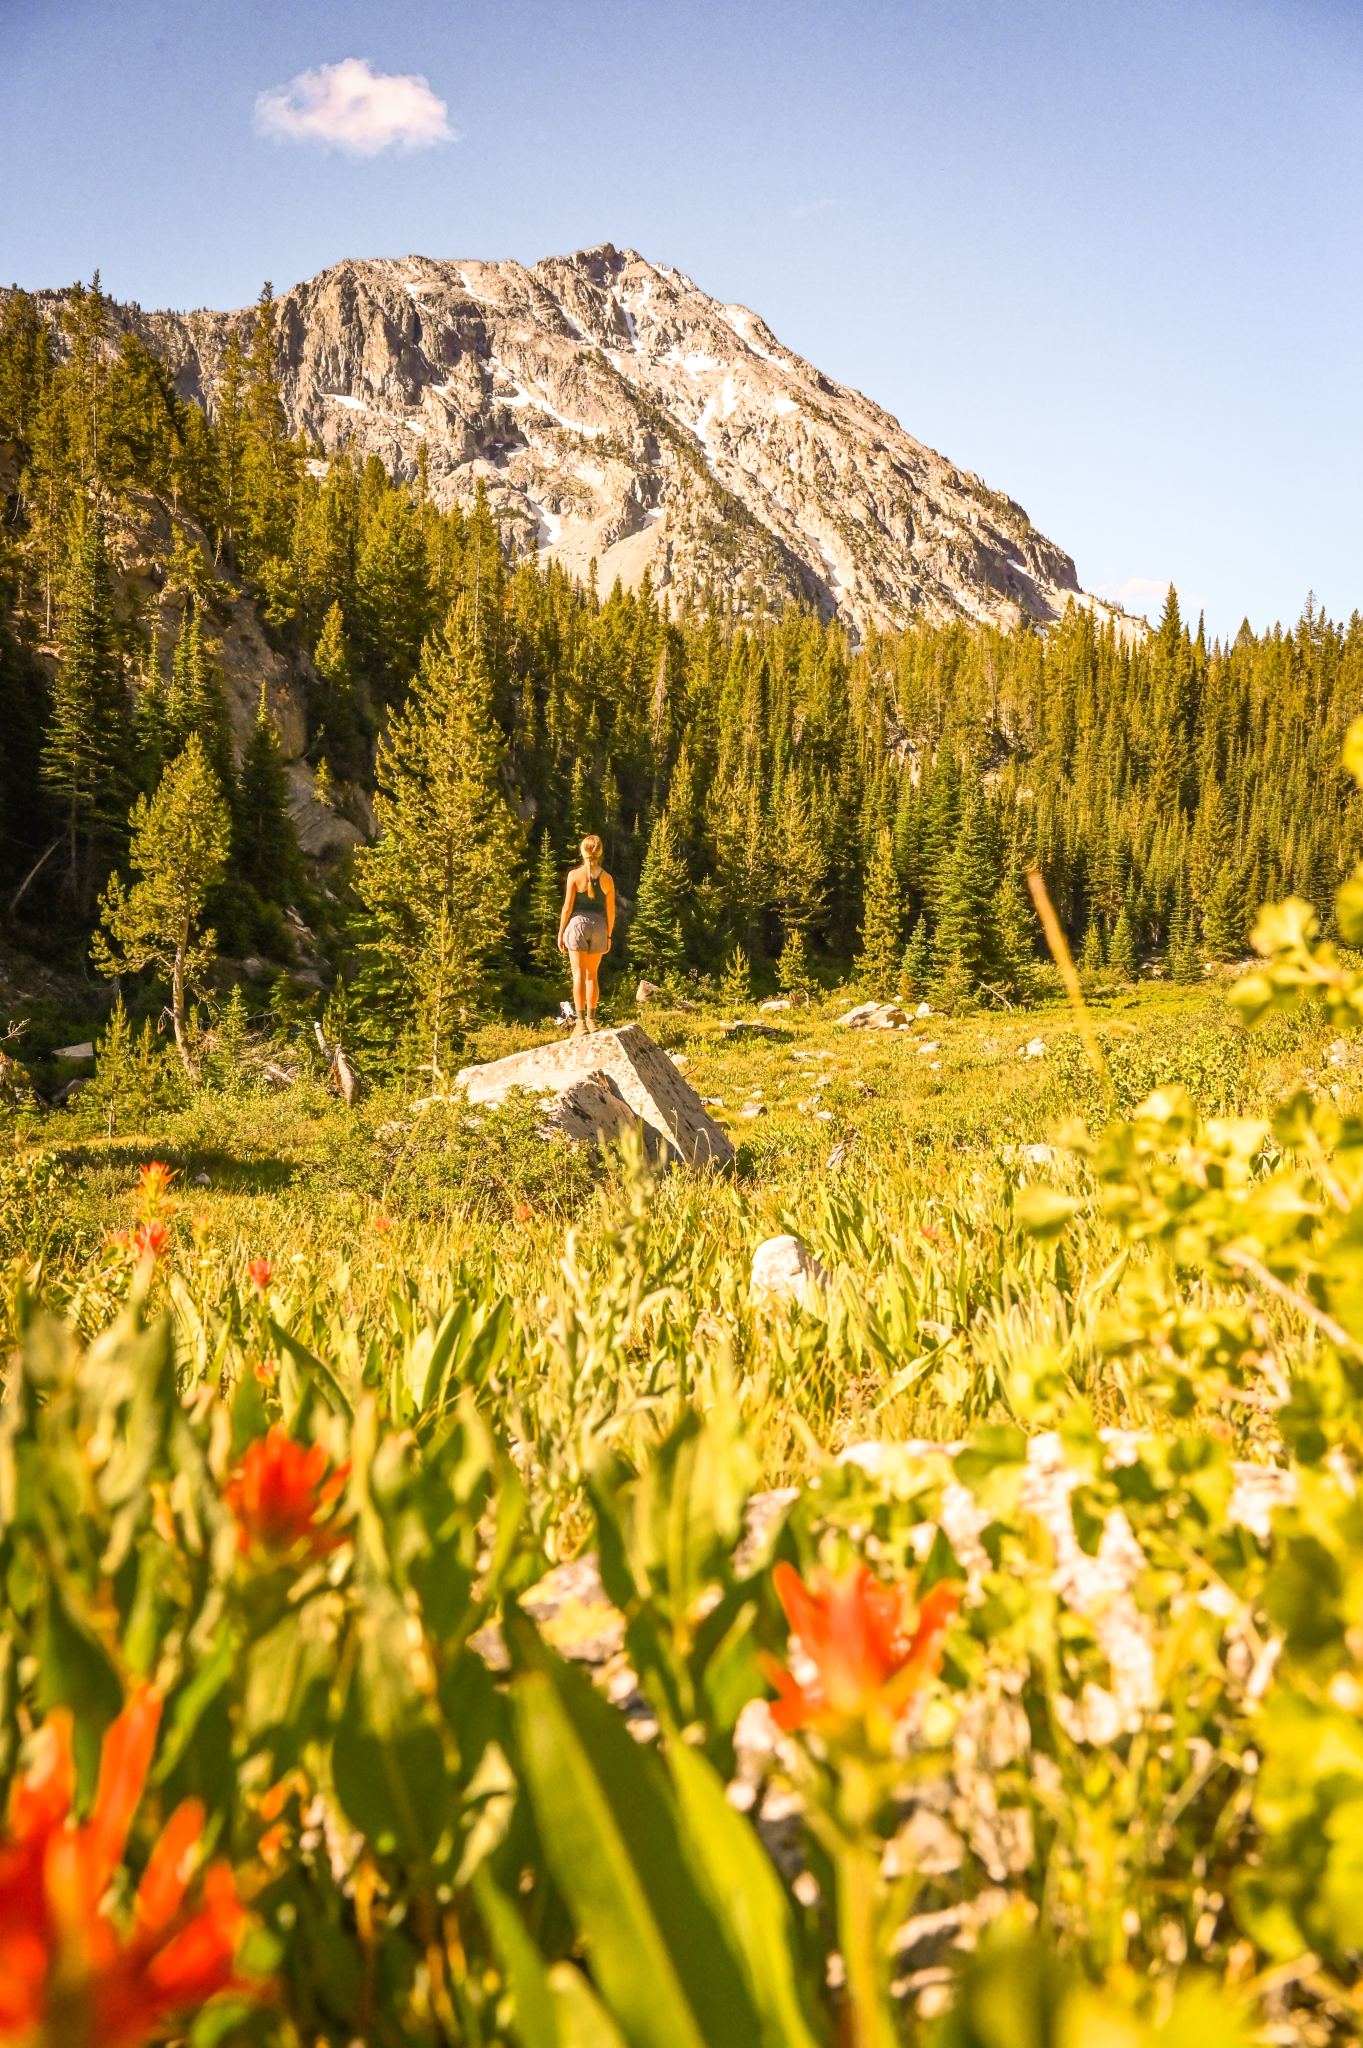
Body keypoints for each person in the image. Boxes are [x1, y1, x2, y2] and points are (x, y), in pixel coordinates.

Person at [557, 834, 615, 1035]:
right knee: (592, 976)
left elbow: (567, 907)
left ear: (582, 852)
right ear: (600, 853)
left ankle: (580, 1023)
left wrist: (561, 932)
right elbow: (611, 911)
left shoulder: (574, 875)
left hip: (577, 925)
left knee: (578, 975)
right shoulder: (607, 879)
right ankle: (592, 1020)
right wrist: (609, 935)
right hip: (599, 926)